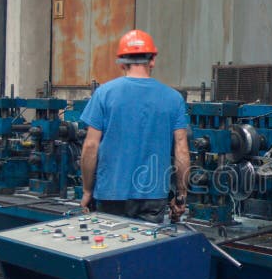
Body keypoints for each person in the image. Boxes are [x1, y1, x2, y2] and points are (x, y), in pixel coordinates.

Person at [79, 29, 189, 222]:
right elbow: (181, 150)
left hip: (111, 193)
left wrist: (87, 190)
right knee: (146, 242)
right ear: (152, 60)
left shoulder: (104, 94)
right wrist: (181, 194)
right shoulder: (173, 99)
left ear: (122, 63)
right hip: (153, 196)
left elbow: (90, 146)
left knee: (110, 241)